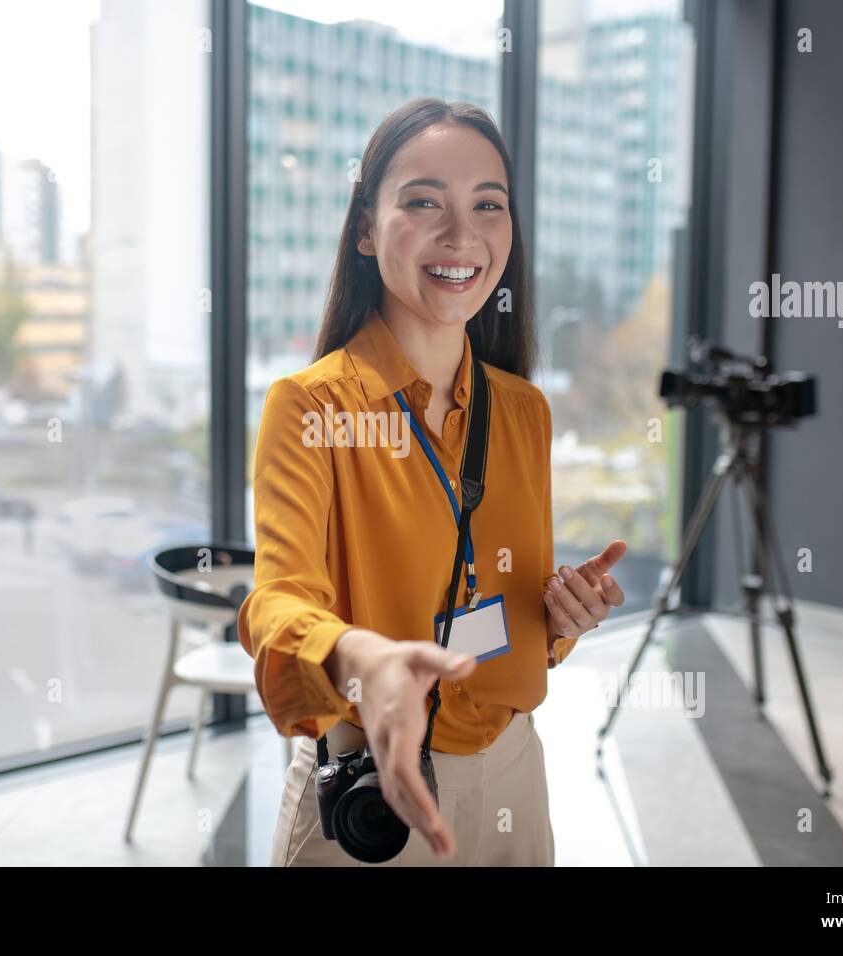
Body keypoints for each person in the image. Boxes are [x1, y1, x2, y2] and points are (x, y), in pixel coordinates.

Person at [237, 97, 627, 867]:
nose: (462, 235)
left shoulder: (523, 412)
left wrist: (559, 620)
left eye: (489, 204)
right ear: (364, 229)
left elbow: (498, 611)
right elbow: (277, 604)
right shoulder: (310, 407)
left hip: (516, 774)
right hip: (371, 791)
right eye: (423, 202)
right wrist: (362, 659)